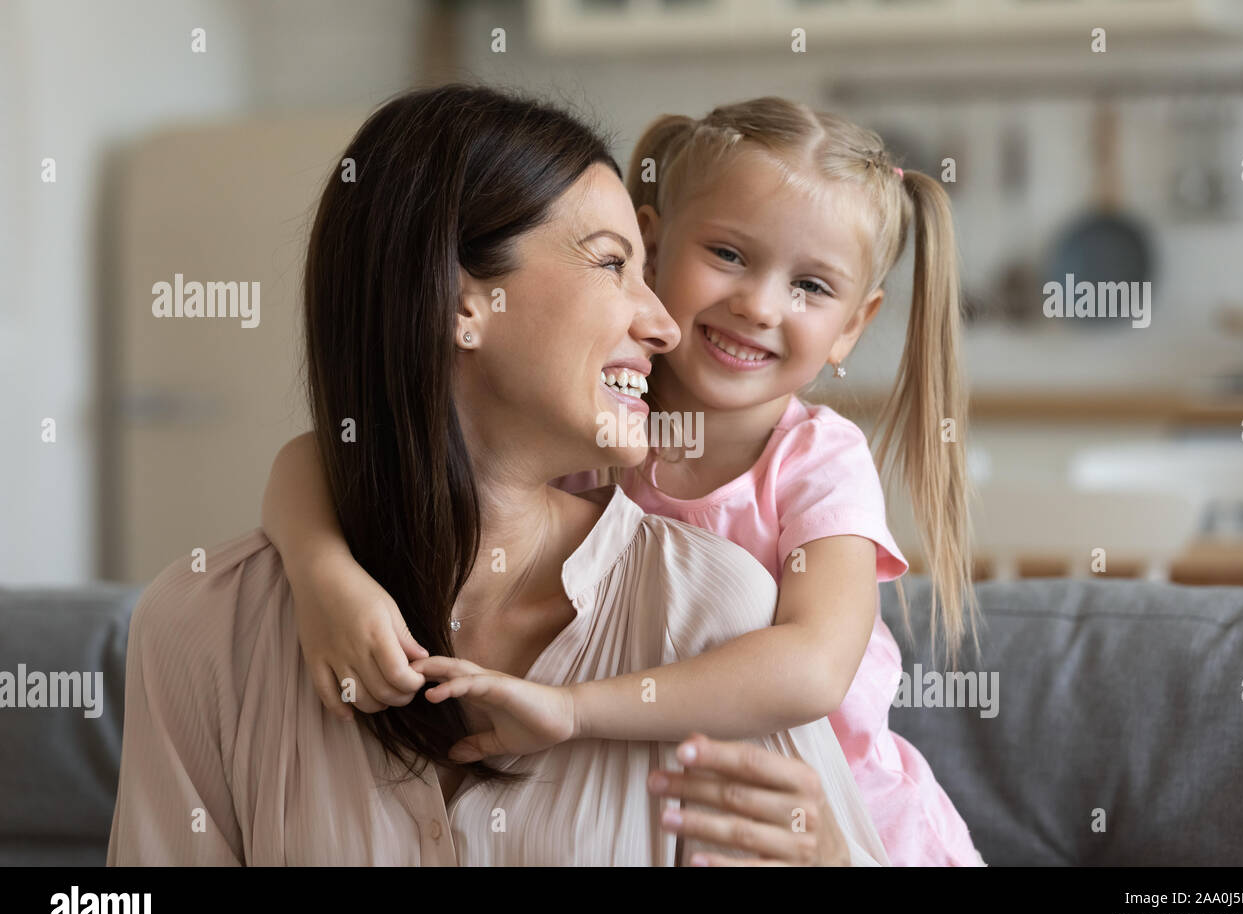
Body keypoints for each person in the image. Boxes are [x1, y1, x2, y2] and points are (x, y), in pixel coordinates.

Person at [105, 84, 890, 867]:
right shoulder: (203, 631)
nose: (662, 324)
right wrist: (319, 570)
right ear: (462, 300)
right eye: (614, 264)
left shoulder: (715, 612)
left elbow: (819, 676)